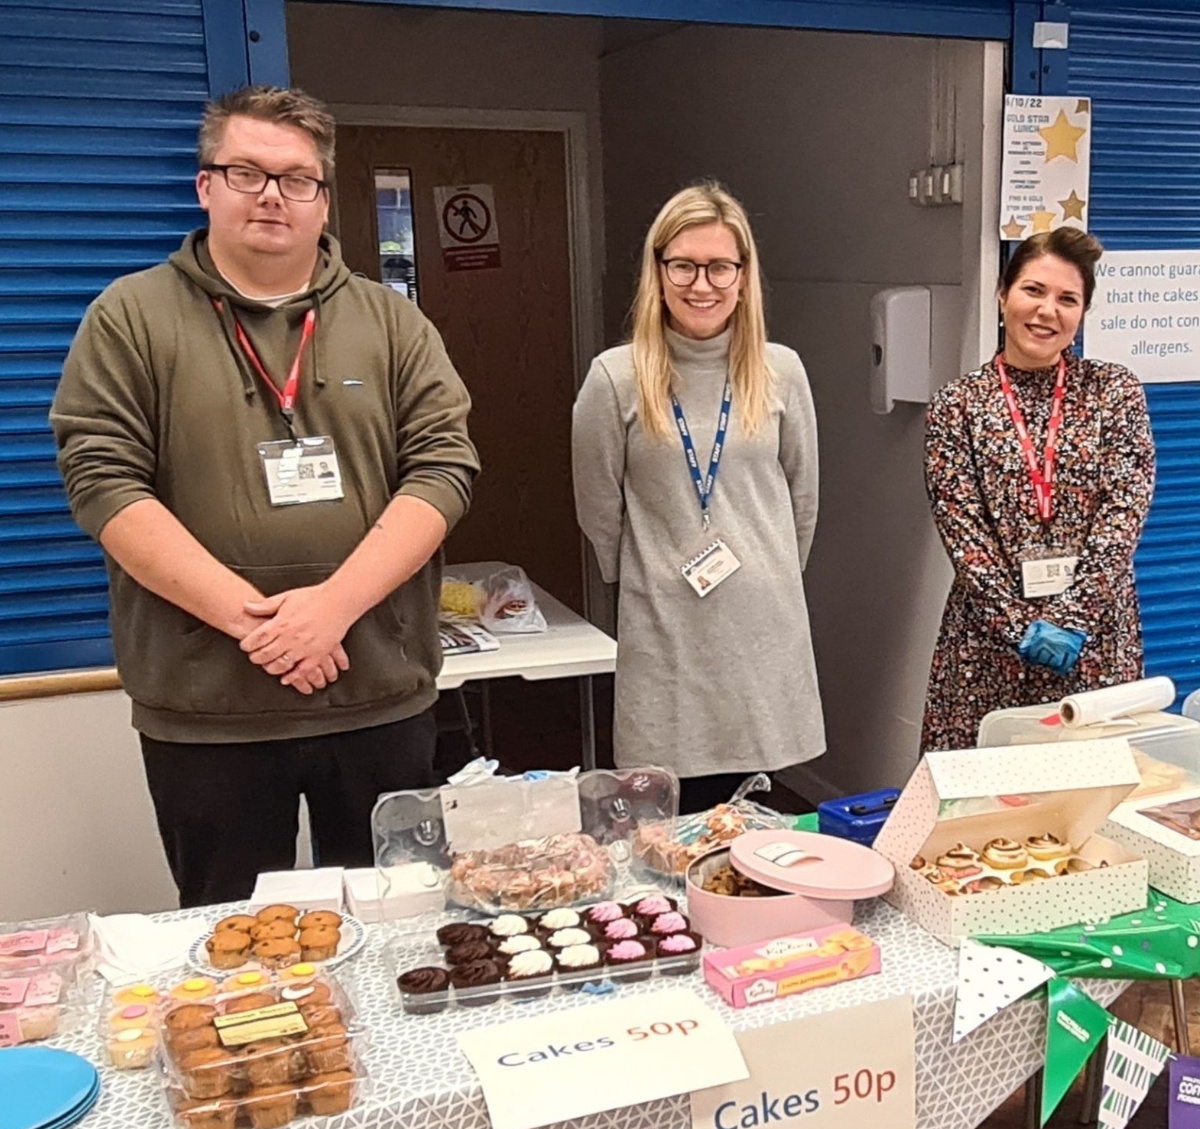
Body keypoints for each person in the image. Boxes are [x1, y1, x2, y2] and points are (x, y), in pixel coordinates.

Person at [50, 87, 479, 906]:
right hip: (209, 709)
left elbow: (443, 470)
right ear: (205, 185)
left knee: (405, 931)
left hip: (378, 697)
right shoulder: (129, 318)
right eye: (247, 172)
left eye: (296, 179)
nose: (273, 196)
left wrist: (330, 611)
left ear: (324, 199)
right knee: (236, 949)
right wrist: (261, 624)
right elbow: (102, 481)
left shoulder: (394, 325)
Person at [572, 183, 825, 814]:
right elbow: (599, 510)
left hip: (763, 630)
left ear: (744, 277)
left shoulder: (781, 371)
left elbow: (804, 496)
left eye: (720, 267)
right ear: (658, 271)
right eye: (682, 265)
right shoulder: (616, 377)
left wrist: (769, 577)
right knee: (669, 826)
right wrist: (647, 578)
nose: (701, 285)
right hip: (666, 631)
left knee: (761, 828)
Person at [922, 227, 1155, 751]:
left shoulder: (1113, 391)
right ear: (1003, 294)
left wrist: (1072, 618)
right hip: (987, 644)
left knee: (1090, 800)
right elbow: (964, 534)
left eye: (1067, 299)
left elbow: (1125, 510)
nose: (1047, 310)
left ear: (1082, 313)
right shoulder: (958, 405)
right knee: (983, 805)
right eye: (1033, 290)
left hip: (1096, 638)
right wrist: (1021, 626)